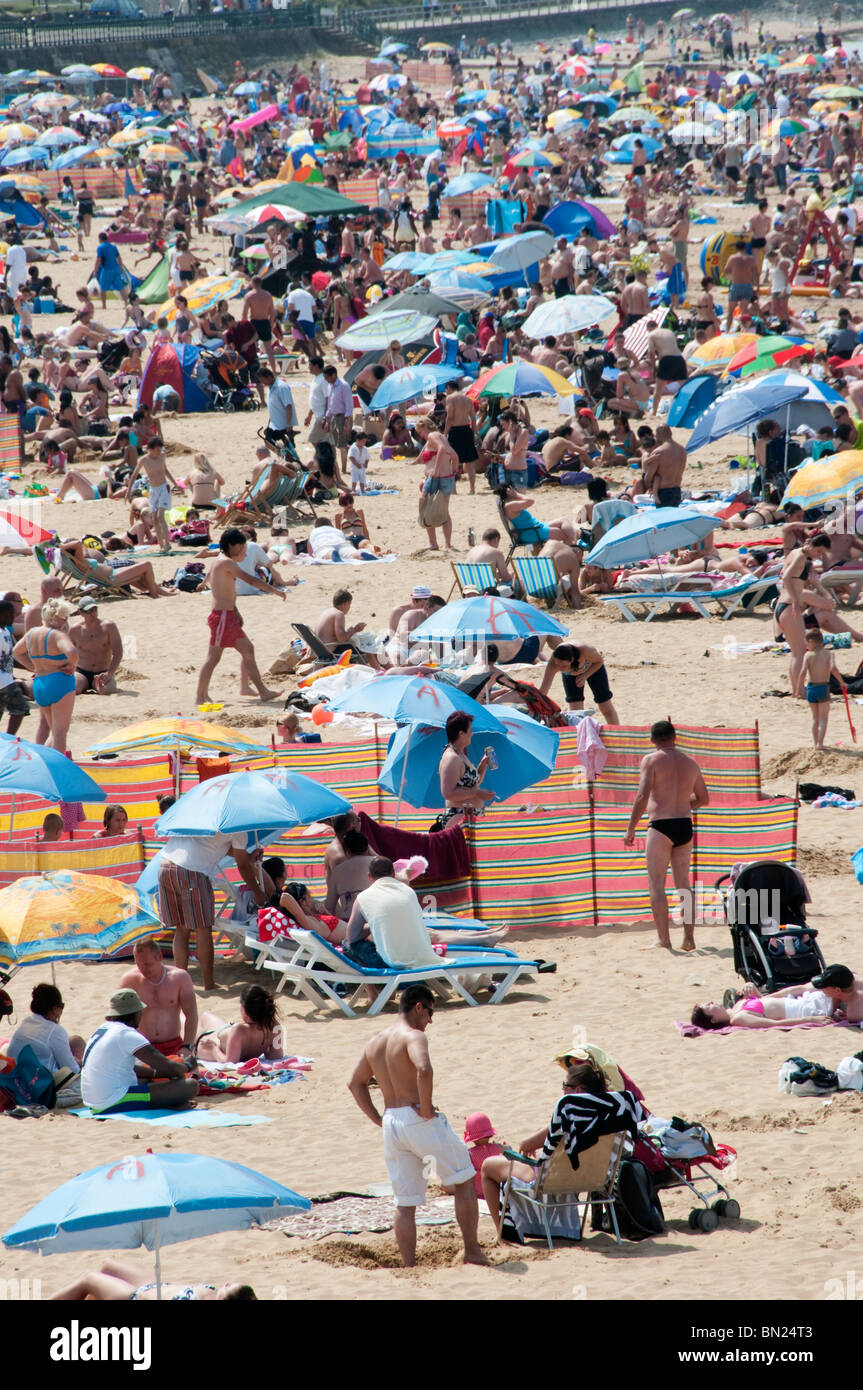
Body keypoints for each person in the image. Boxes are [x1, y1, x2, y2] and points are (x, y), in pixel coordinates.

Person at [347, 982, 488, 1267]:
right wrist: (425, 1110)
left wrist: (378, 1118)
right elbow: (424, 1069)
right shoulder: (413, 1036)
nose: (430, 1021)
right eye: (430, 1013)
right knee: (462, 1177)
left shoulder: (375, 1041)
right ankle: (472, 1250)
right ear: (418, 1007)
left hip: (392, 1122)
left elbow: (354, 1083)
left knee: (406, 1201)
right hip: (416, 1119)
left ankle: (409, 1265)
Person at [479, 1060, 645, 1239]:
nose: (563, 1090)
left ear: (578, 1090)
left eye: (565, 1085)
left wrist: (527, 1145)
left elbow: (525, 1145)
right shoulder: (612, 1114)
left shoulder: (568, 1113)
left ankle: (502, 1234)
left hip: (553, 1181)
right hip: (592, 1179)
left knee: (488, 1167)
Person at [624, 719, 709, 952]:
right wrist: (682, 804)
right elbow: (703, 799)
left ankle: (664, 939)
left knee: (657, 884)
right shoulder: (690, 762)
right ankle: (689, 938)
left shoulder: (651, 760)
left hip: (660, 825)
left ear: (652, 740)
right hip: (684, 823)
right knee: (684, 884)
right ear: (675, 737)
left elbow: (642, 796)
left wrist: (631, 828)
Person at [158, 826, 268, 991]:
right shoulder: (237, 826)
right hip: (191, 872)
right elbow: (243, 866)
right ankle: (208, 983)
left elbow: (216, 844)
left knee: (182, 928)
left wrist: (247, 856)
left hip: (165, 866)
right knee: (203, 928)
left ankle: (179, 982)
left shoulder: (201, 811)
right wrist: (258, 892)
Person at [196, 527, 285, 707]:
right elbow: (251, 580)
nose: (244, 552)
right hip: (221, 618)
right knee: (213, 658)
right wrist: (275, 590)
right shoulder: (225, 563)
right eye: (241, 548)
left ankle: (263, 692)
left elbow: (227, 592)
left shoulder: (222, 561)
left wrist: (236, 612)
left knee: (248, 650)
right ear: (231, 546)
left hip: (228, 617)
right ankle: (200, 696)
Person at [80, 989, 198, 1114]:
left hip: (92, 1101)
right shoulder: (126, 1034)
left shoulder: (101, 1030)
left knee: (150, 1081)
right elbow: (169, 1067)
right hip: (110, 1102)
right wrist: (188, 1065)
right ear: (136, 1013)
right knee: (190, 1085)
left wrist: (156, 1074)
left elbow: (130, 1068)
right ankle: (166, 1104)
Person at [343, 856, 441, 971]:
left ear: (369, 876)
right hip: (424, 961)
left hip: (392, 965)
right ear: (394, 874)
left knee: (347, 944)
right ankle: (373, 989)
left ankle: (372, 988)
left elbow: (351, 937)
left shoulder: (363, 898)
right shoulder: (408, 891)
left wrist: (373, 924)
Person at [12, 598, 77, 753]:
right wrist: (72, 666)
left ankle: (45, 761)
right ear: (56, 617)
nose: (66, 621)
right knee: (60, 733)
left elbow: (16, 652)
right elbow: (72, 651)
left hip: (40, 684)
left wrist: (33, 668)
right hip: (59, 683)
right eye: (64, 617)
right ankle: (58, 770)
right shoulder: (57, 635)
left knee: (54, 732)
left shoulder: (32, 633)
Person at [119, 937, 198, 1056]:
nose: (143, 969)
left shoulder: (180, 978)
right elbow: (118, 1018)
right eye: (139, 964)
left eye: (147, 964)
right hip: (142, 1046)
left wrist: (187, 1046)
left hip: (173, 1044)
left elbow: (191, 1014)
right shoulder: (130, 980)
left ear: (159, 957)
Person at [52, 1262, 256, 1302]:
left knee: (89, 1279)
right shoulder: (213, 1292)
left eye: (228, 1287)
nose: (226, 1282)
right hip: (154, 1286)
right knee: (108, 1268)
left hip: (133, 1297)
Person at [691, 977, 841, 1029]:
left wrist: (753, 989)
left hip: (799, 999)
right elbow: (773, 1024)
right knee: (841, 982)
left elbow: (767, 1001)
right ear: (713, 1019)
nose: (711, 1002)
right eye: (708, 1006)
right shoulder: (738, 1019)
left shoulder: (737, 1006)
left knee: (841, 978)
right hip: (805, 1010)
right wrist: (810, 1020)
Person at [7, 982, 83, 1077]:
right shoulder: (55, 1031)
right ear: (54, 1008)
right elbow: (72, 1070)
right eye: (61, 1006)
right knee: (78, 1046)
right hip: (37, 1085)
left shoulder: (26, 1022)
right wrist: (80, 1063)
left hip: (13, 1077)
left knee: (75, 1040)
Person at [197, 983, 283, 1063]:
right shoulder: (274, 1027)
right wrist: (263, 1045)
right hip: (224, 1033)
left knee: (203, 1016)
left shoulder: (239, 1030)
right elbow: (275, 1056)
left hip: (212, 1042)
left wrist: (213, 1048)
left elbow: (230, 1062)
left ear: (245, 1010)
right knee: (206, 1016)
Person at [438, 711, 496, 829]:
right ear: (461, 733)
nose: (472, 734)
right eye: (470, 731)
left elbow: (472, 783)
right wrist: (477, 793)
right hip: (458, 817)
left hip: (469, 816)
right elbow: (448, 792)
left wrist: (482, 764)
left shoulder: (460, 754)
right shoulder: (452, 758)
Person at [540, 643, 619, 723]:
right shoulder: (553, 664)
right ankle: (580, 734)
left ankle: (617, 733)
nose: (560, 668)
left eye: (564, 666)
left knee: (604, 705)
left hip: (593, 669)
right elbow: (544, 689)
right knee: (576, 712)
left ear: (572, 659)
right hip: (571, 676)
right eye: (558, 665)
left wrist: (585, 676)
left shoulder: (584, 650)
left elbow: (599, 661)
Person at [802, 627, 845, 749]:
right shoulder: (829, 654)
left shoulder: (808, 655)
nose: (806, 646)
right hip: (823, 688)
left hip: (811, 688)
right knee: (823, 718)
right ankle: (820, 743)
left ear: (811, 641)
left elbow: (802, 672)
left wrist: (798, 688)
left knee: (815, 718)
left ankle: (815, 743)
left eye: (806, 643)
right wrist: (842, 682)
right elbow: (833, 669)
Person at [69, 598, 123, 696]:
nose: (93, 614)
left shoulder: (109, 627)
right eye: (88, 611)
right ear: (81, 612)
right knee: (72, 689)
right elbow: (66, 653)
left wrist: (110, 673)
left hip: (103, 672)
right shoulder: (75, 630)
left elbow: (118, 652)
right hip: (81, 672)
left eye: (94, 610)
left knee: (106, 690)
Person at [444, 382, 479, 494]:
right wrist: (474, 434)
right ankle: (472, 489)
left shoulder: (450, 398)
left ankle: (454, 490)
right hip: (466, 430)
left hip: (455, 431)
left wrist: (445, 433)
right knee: (469, 463)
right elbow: (473, 419)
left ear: (449, 387)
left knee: (453, 461)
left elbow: (449, 417)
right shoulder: (468, 399)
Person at [0, 598, 29, 734]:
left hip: (6, 679)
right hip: (3, 681)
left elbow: (10, 658)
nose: (14, 617)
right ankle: (9, 739)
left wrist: (32, 667)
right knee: (20, 708)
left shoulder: (5, 632)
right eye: (10, 615)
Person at [642, 425, 686, 507]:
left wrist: (650, 487)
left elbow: (648, 477)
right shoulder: (682, 450)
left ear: (659, 435)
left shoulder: (659, 452)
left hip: (664, 493)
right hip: (677, 491)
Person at [462, 1112, 504, 1198]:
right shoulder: (496, 1148)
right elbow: (508, 1149)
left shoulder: (470, 1153)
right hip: (495, 1188)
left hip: (476, 1190)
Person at [257, 366, 296, 450]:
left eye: (263, 380)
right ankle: (282, 456)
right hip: (274, 424)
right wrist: (269, 424)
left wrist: (289, 425)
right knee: (268, 442)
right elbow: (273, 407)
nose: (263, 383)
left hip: (284, 424)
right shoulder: (270, 388)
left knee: (289, 448)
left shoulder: (282, 387)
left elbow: (288, 406)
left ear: (269, 377)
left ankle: (288, 459)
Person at [316, 588, 365, 653]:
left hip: (319, 650)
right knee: (365, 649)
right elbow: (341, 639)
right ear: (345, 604)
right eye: (349, 604)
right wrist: (355, 629)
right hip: (331, 651)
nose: (349, 607)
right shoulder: (339, 614)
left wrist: (349, 632)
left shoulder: (327, 612)